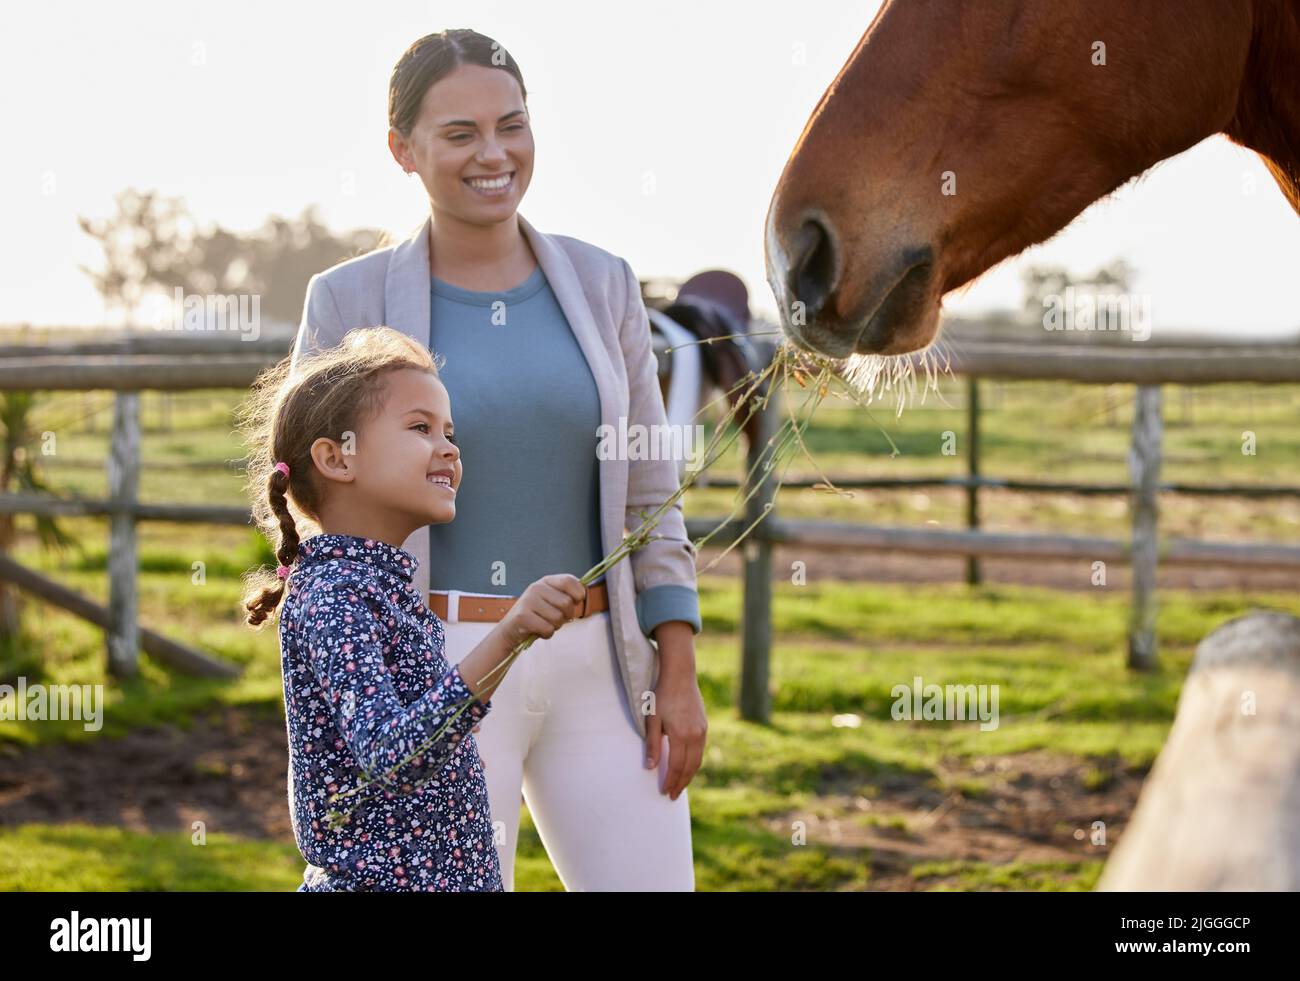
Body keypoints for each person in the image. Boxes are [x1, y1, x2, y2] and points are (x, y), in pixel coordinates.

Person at [289, 28, 707, 891]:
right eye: (460, 134)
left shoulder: (604, 284)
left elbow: (651, 491)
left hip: (601, 661)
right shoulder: (347, 298)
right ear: (402, 149)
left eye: (512, 125)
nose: (494, 154)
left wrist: (677, 665)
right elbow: (309, 485)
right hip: (435, 667)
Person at [239, 326, 586, 891]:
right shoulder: (334, 596)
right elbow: (397, 755)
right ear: (337, 458)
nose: (448, 448)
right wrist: (510, 634)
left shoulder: (381, 586)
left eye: (450, 432)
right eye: (420, 428)